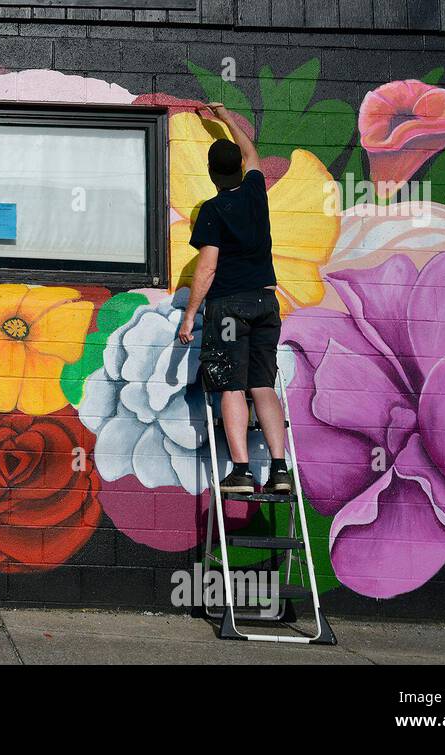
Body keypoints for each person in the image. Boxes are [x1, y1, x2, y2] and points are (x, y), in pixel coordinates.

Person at [176, 102, 294, 495]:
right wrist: (225, 117)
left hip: (230, 307)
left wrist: (190, 315)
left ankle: (241, 470)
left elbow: (207, 267)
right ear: (240, 170)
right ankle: (280, 469)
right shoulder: (256, 192)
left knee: (231, 386)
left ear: (212, 174)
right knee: (262, 385)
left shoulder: (213, 210)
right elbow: (251, 152)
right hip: (265, 302)